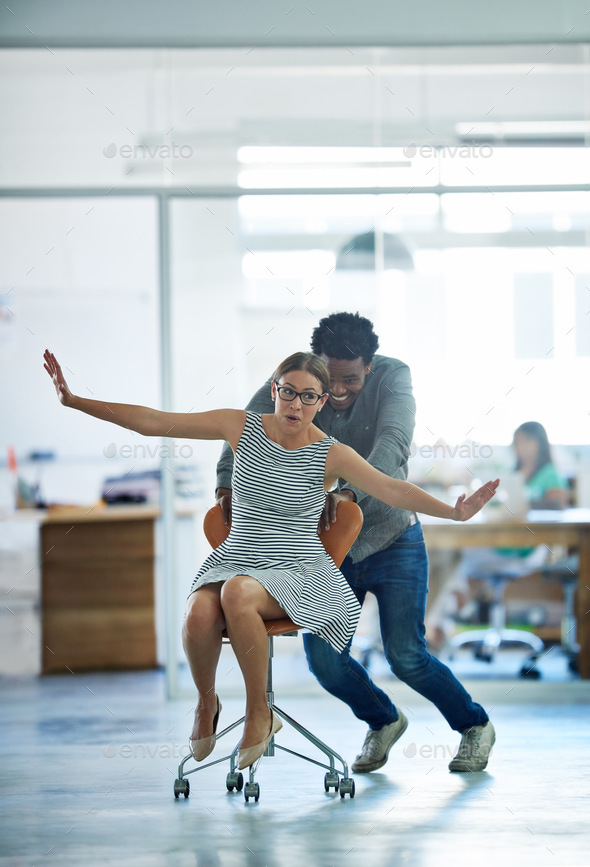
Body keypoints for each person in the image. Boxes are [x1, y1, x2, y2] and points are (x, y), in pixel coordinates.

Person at [44, 346, 498, 772]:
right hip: (238, 555)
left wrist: (454, 512)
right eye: (287, 391)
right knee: (200, 611)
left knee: (238, 593)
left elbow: (392, 488)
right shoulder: (240, 426)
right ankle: (207, 702)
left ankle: (259, 713)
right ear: (275, 388)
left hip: (297, 567)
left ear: (321, 401)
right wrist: (74, 400)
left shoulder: (330, 453)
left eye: (307, 396)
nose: (294, 405)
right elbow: (154, 422)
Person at [216, 312, 498, 774]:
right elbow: (247, 424)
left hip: (392, 537)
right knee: (324, 661)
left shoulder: (393, 377)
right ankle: (383, 720)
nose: (340, 391)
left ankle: (474, 725)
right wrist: (226, 481)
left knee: (406, 656)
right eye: (332, 379)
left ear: (370, 366)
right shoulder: (304, 380)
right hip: (327, 549)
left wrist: (348, 492)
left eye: (352, 379)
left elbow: (392, 446)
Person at [426, 421, 570, 643]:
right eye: (518, 442)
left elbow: (559, 504)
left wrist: (529, 504)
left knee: (453, 555)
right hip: (502, 543)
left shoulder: (549, 473)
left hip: (528, 549)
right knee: (443, 553)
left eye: (527, 441)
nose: (522, 447)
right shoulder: (513, 473)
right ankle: (442, 616)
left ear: (539, 443)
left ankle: (451, 609)